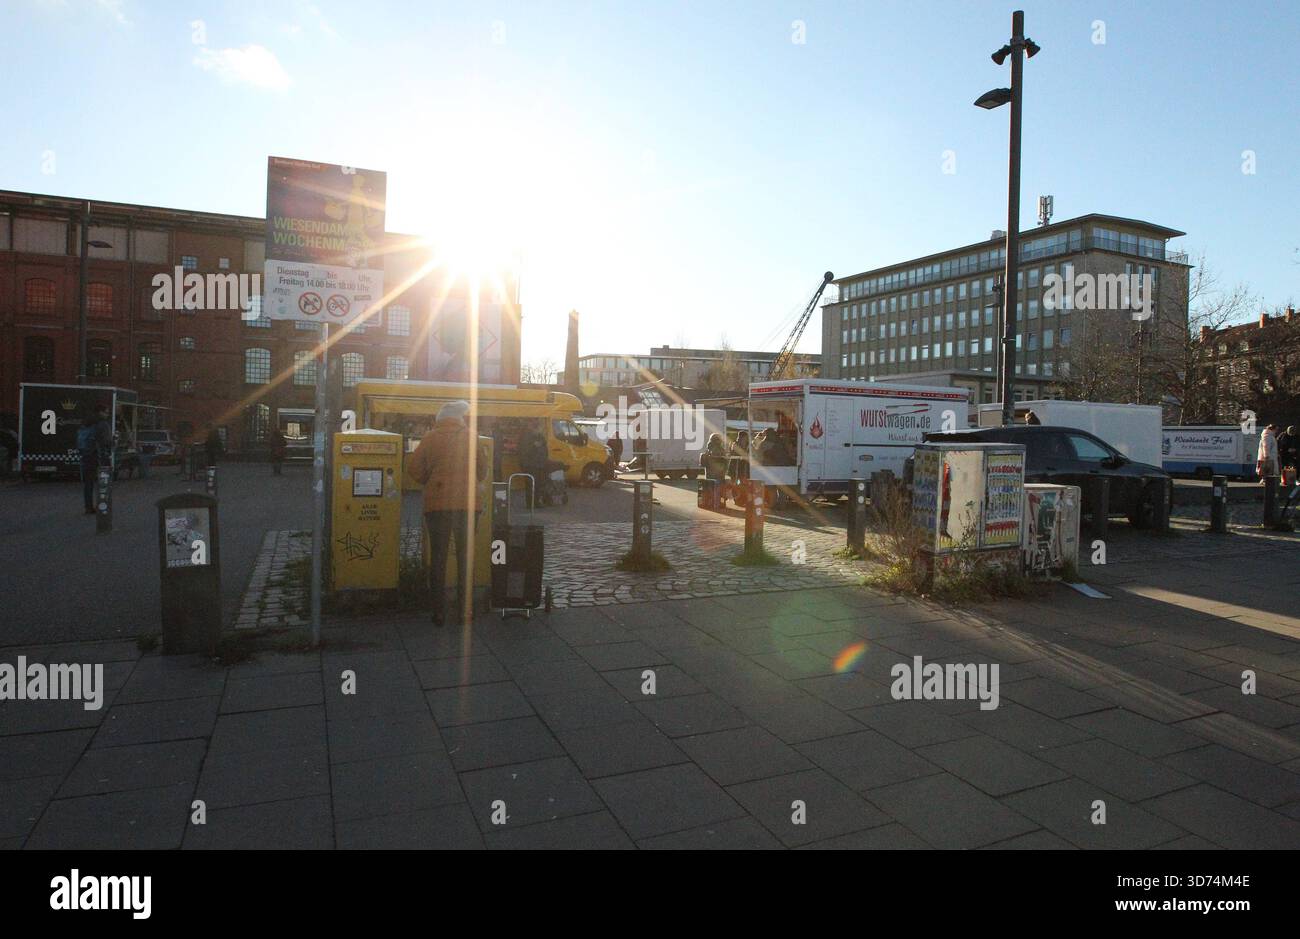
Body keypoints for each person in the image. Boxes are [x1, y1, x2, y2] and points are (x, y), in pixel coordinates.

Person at [407, 400, 479, 627]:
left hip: (438, 505)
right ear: (461, 418)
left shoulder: (429, 438)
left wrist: (428, 478)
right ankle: (464, 612)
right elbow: (483, 469)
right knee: (464, 557)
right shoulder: (471, 436)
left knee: (438, 558)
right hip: (468, 504)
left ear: (440, 418)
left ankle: (438, 612)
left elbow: (413, 470)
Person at [76, 407, 112, 515]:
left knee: (88, 484)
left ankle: (88, 507)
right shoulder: (103, 424)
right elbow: (107, 441)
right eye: (106, 412)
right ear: (100, 412)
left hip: (86, 457)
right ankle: (103, 506)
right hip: (100, 457)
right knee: (104, 483)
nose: (108, 414)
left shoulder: (85, 424)